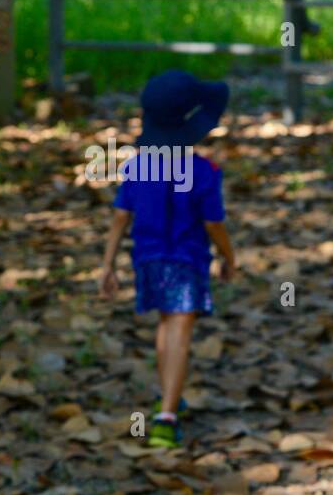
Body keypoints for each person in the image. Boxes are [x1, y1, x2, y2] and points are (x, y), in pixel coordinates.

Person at [99, 70, 236, 449]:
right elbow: (214, 223)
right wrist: (229, 258)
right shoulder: (203, 172)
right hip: (186, 260)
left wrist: (107, 263)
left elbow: (120, 218)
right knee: (181, 329)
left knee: (166, 324)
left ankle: (168, 398)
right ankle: (167, 417)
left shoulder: (137, 168)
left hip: (148, 259)